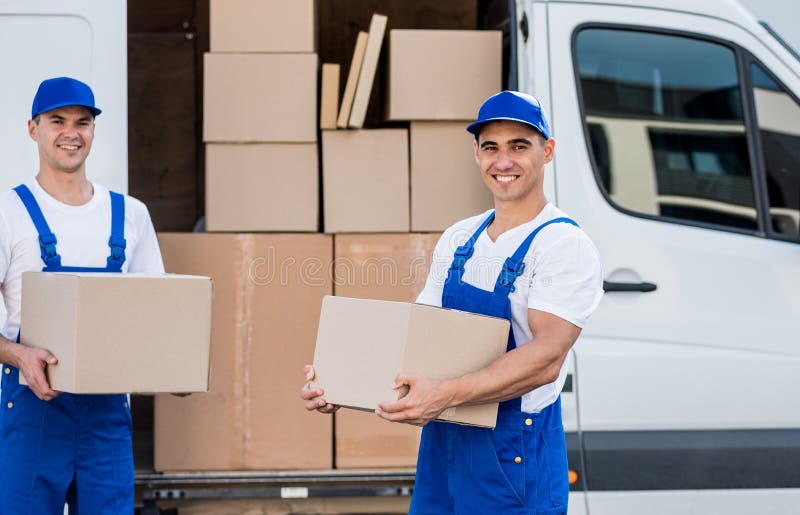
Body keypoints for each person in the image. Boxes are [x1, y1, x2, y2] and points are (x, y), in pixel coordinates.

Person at [303, 90, 603, 514]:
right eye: (491, 147)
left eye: (519, 146)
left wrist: (443, 395)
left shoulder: (562, 245)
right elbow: (419, 339)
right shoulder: (461, 238)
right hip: (445, 444)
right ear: (476, 154)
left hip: (513, 451)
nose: (503, 161)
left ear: (547, 151)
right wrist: (345, 382)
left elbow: (546, 358)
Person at [0, 77, 164, 514]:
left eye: (83, 122)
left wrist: (170, 370)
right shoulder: (7, 212)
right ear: (33, 128)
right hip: (34, 410)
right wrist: (18, 355)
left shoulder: (130, 214)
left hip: (106, 416)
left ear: (93, 130)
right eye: (57, 121)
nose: (71, 132)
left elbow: (158, 316)